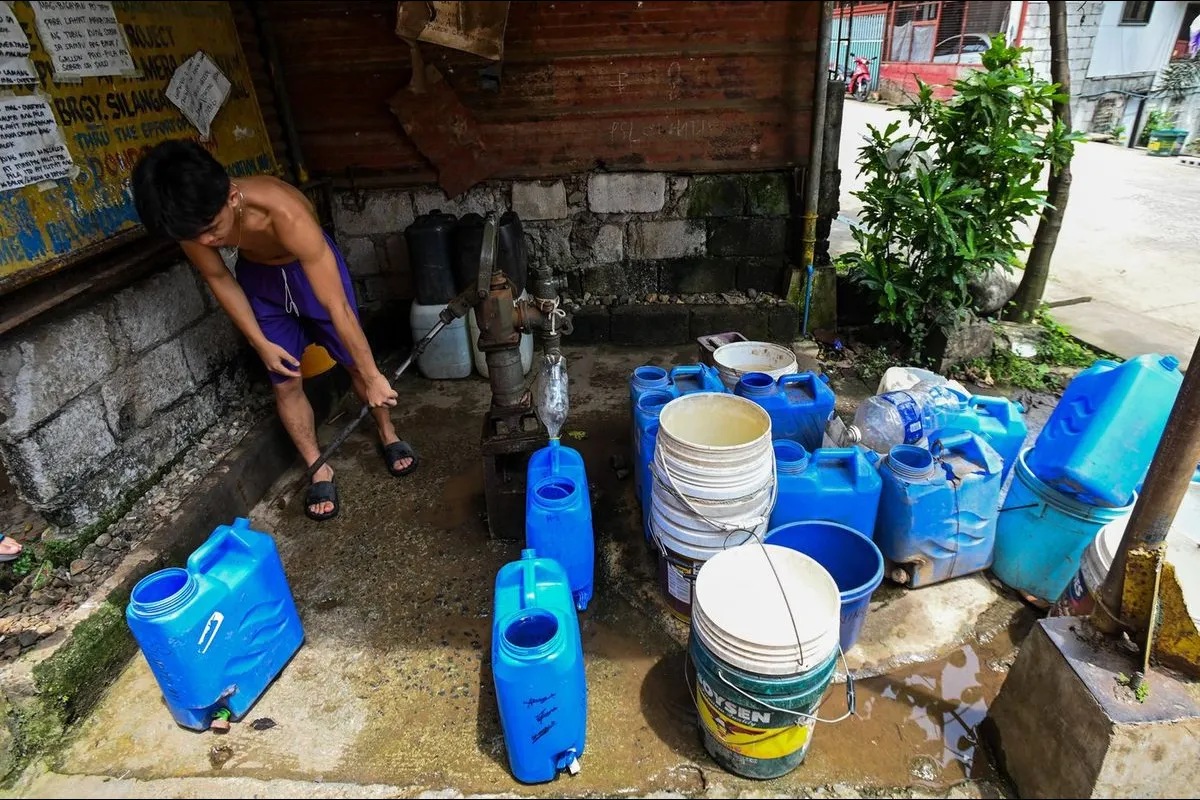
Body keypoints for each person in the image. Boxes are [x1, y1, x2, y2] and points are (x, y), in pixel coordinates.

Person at [131, 139, 418, 522]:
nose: (206, 242)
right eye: (194, 236)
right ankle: (318, 464)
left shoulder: (285, 212)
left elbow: (338, 307)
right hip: (260, 282)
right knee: (284, 379)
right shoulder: (192, 219)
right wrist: (260, 342)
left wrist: (373, 374)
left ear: (233, 196)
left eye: (212, 230)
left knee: (355, 364)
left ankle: (388, 433)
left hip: (307, 269)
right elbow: (218, 276)